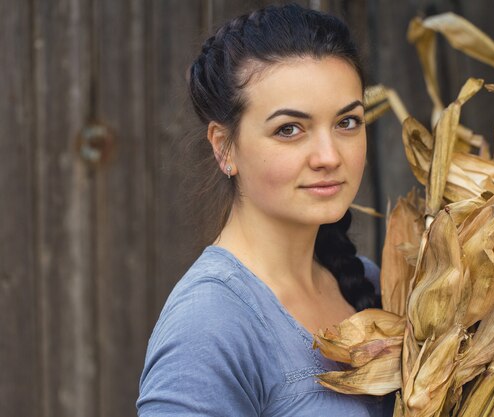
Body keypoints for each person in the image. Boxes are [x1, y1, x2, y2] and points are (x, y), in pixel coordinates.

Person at [137, 4, 394, 416]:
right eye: (289, 129)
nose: (329, 156)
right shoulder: (209, 326)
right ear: (224, 147)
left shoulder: (371, 284)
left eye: (347, 122)